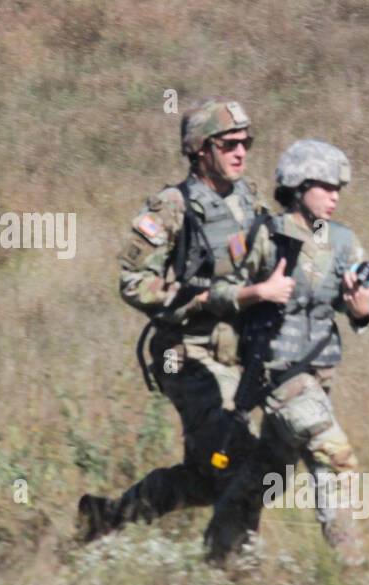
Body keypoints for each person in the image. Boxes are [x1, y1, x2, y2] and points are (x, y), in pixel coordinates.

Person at [77, 97, 291, 541]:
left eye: (246, 142)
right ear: (200, 150)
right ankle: (230, 564)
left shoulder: (245, 197)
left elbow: (266, 261)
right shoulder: (172, 207)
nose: (241, 152)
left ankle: (109, 517)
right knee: (245, 459)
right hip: (185, 355)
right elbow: (134, 282)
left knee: (206, 476)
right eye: (229, 143)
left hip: (235, 354)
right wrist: (209, 298)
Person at [202, 140, 369, 566]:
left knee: (269, 477)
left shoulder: (342, 241)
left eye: (339, 188)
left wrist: (361, 312)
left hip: (318, 379)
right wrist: (259, 291)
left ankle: (219, 555)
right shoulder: (264, 235)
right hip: (278, 376)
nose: (335, 196)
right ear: (298, 186)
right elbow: (216, 290)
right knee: (336, 461)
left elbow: (357, 305)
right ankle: (352, 571)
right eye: (325, 186)